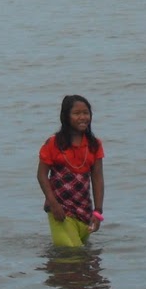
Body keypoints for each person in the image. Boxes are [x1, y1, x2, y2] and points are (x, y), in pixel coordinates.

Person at [35, 94, 105, 248]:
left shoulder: (94, 145)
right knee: (73, 253)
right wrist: (53, 204)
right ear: (66, 117)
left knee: (83, 262)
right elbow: (41, 175)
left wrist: (97, 212)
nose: (82, 117)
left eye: (86, 113)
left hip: (84, 210)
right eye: (76, 113)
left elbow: (98, 178)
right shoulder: (53, 143)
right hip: (60, 210)